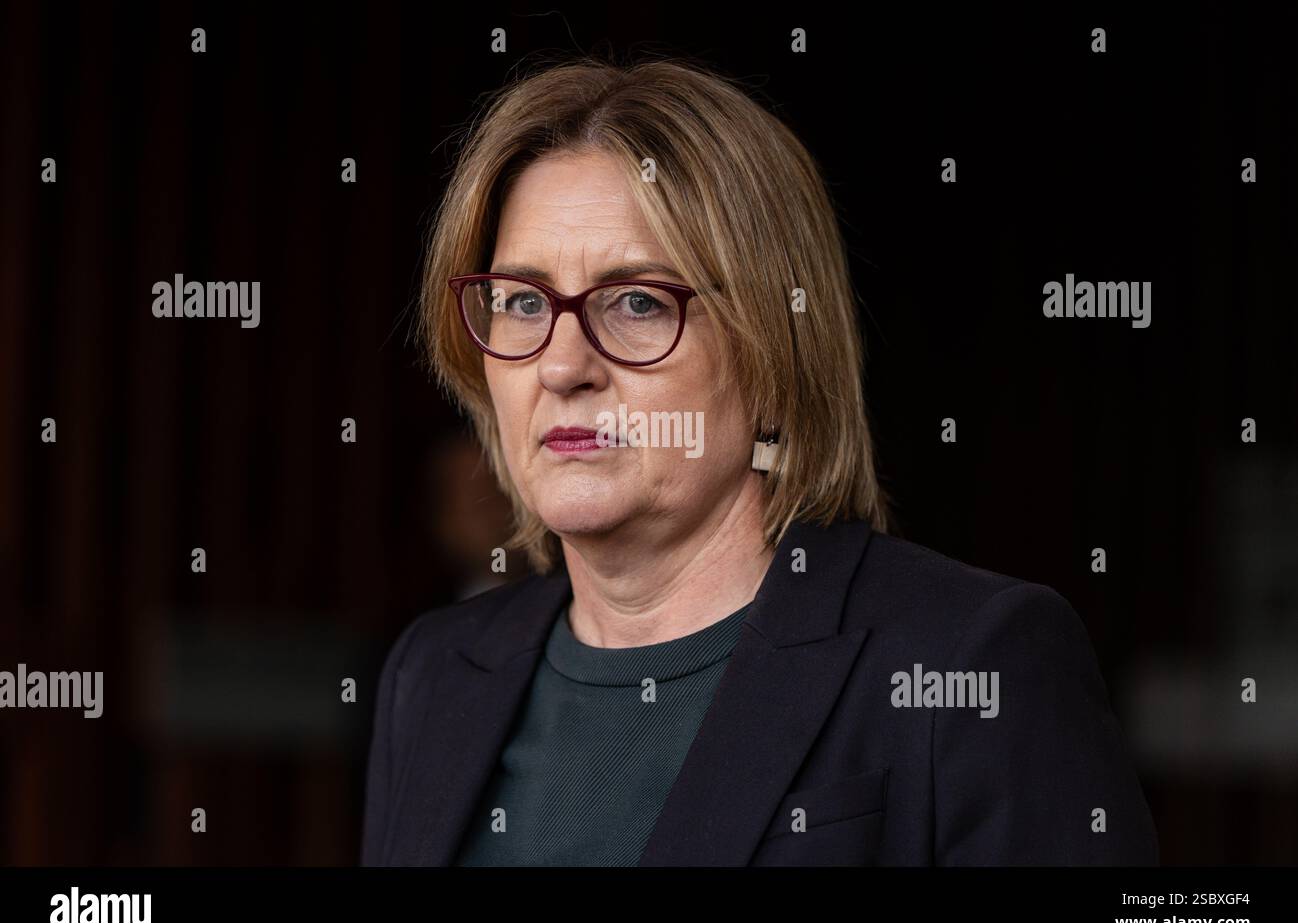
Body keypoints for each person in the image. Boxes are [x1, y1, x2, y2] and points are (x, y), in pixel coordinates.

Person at [361, 54, 1159, 866]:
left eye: (638, 301)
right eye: (524, 302)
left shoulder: (969, 661)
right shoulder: (432, 677)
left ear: (774, 351)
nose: (564, 366)